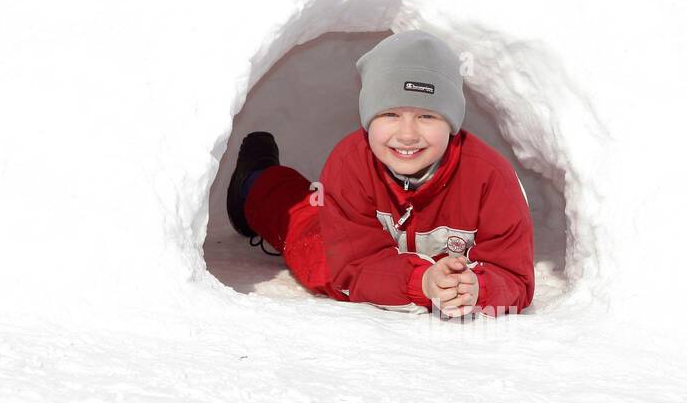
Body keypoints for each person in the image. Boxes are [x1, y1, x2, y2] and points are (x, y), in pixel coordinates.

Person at [226, 31, 534, 318]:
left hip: (414, 266)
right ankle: (256, 179)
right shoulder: (350, 163)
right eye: (390, 114)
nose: (408, 134)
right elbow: (351, 268)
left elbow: (515, 276)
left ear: (452, 124)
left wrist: (479, 288)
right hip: (352, 241)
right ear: (367, 118)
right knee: (310, 242)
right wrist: (422, 282)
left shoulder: (489, 178)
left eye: (427, 116)